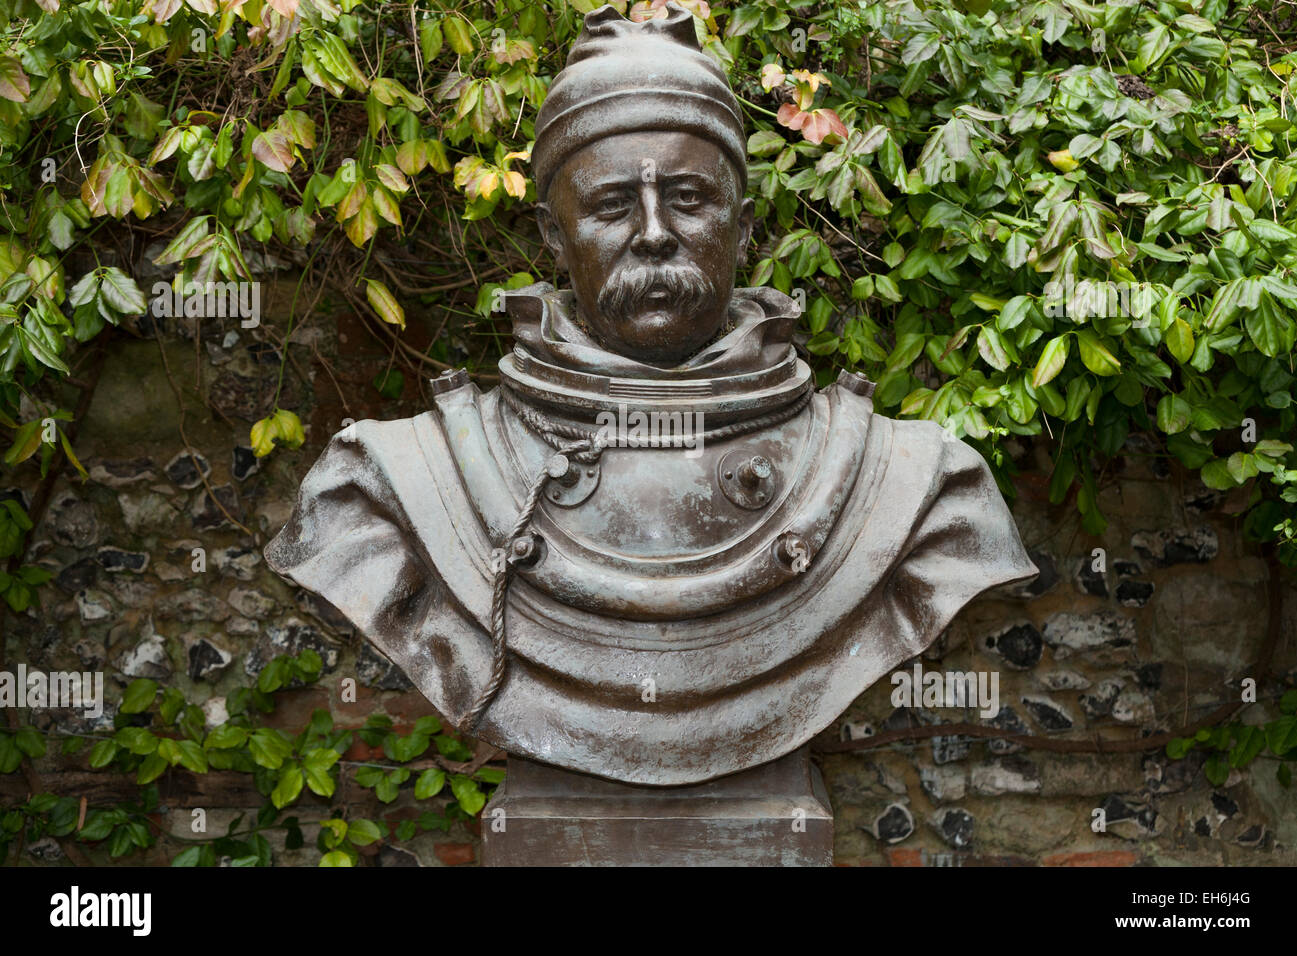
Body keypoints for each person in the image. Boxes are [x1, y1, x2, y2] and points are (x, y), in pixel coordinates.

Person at [265, 3, 1037, 786]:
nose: (655, 231)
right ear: (553, 237)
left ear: (741, 229)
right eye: (609, 206)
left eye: (690, 198)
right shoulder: (392, 487)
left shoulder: (917, 490)